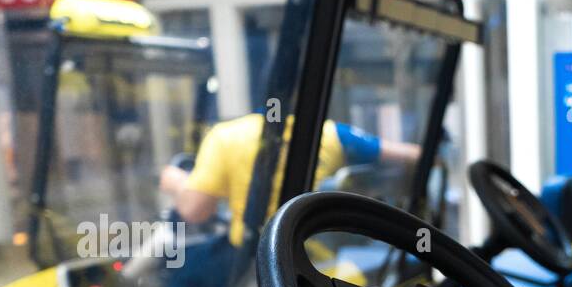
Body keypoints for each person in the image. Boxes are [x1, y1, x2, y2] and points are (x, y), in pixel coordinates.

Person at [158, 114, 421, 247]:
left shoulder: (224, 137)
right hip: (315, 249)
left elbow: (195, 210)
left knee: (178, 278)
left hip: (252, 260)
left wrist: (176, 182)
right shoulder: (330, 133)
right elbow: (411, 156)